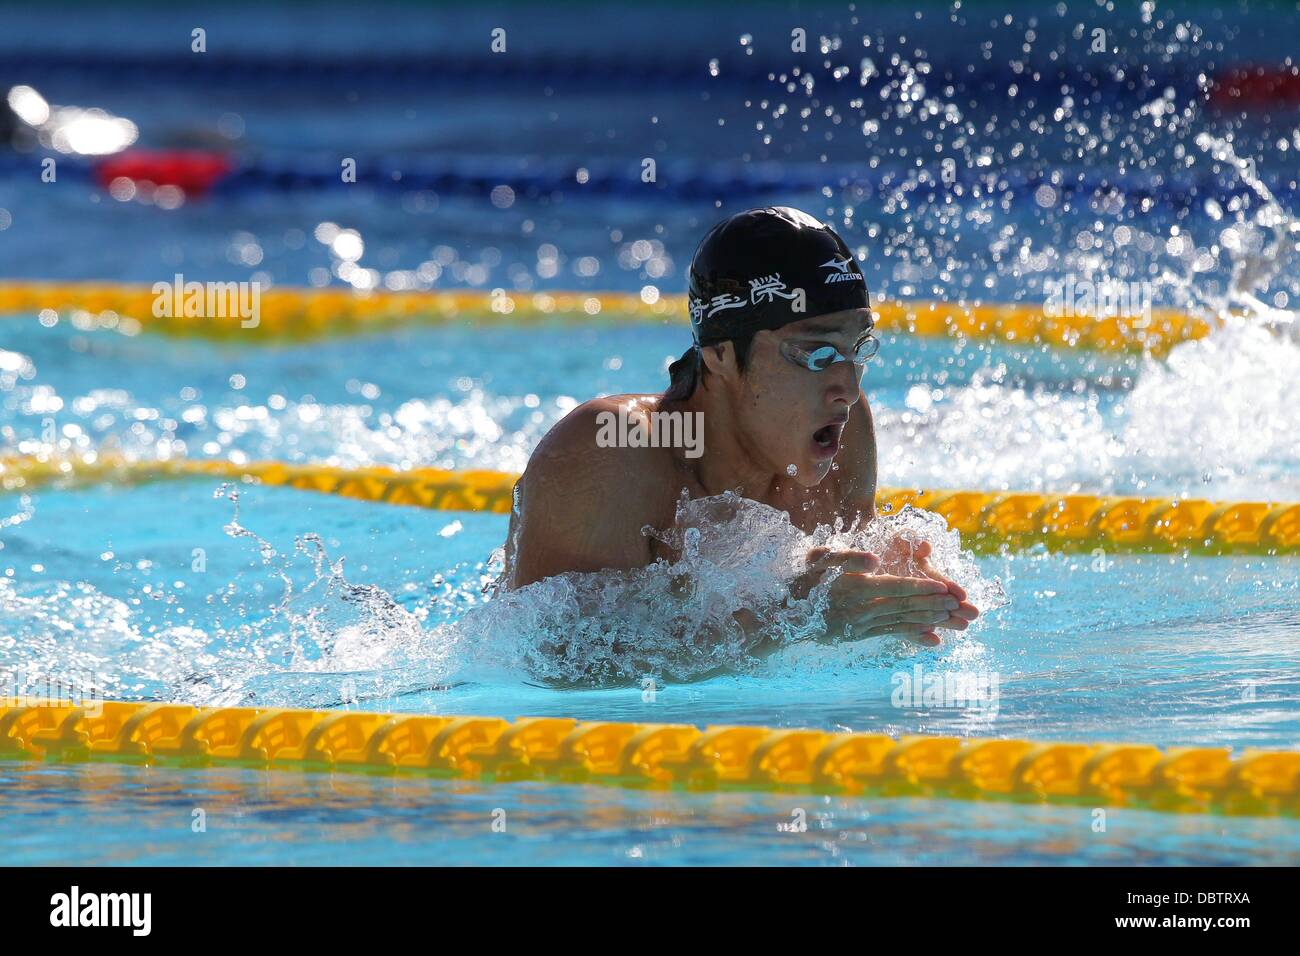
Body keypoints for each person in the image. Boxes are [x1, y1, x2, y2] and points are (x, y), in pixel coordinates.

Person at [501, 206, 979, 649]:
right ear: (720, 354)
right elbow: (557, 661)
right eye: (816, 355)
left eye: (857, 351)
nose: (848, 391)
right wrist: (788, 620)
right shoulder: (612, 449)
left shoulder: (843, 431)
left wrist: (893, 593)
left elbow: (841, 613)